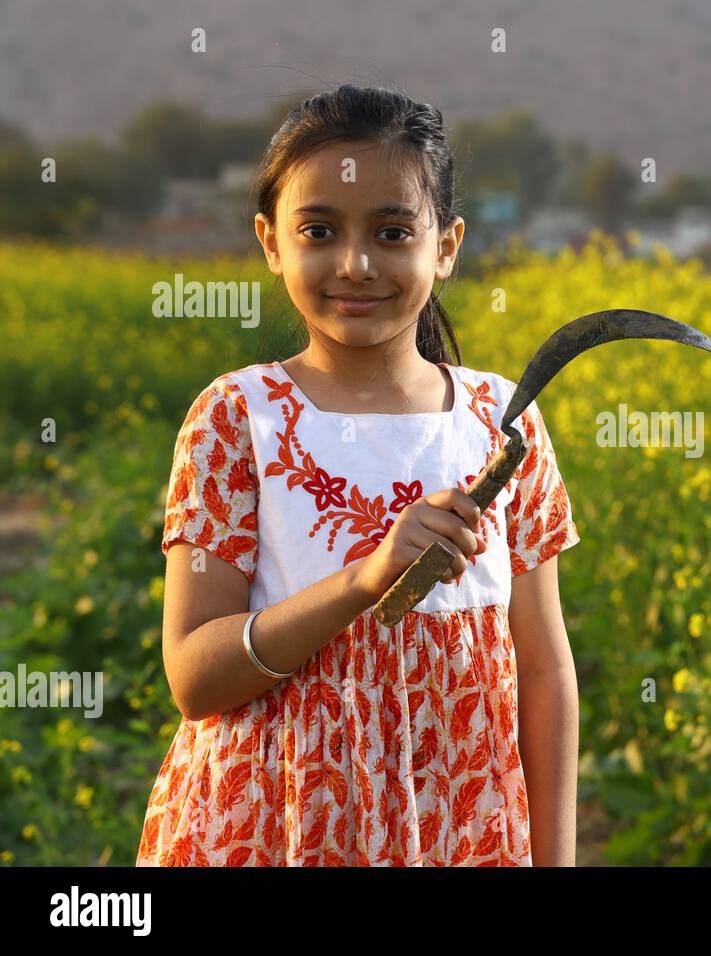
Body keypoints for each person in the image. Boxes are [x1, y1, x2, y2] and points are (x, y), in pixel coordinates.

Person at [135, 85, 580, 866]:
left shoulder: (503, 422)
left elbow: (543, 668)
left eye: (392, 230)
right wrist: (363, 581)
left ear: (445, 246)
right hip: (276, 825)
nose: (355, 263)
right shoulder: (238, 417)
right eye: (319, 230)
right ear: (272, 243)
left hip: (462, 831)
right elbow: (194, 680)